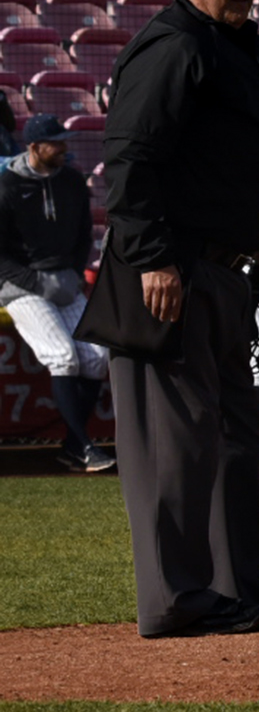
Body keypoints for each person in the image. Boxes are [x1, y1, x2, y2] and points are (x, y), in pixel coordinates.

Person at [93, 0, 259, 637]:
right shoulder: (172, 46)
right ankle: (174, 598)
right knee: (177, 443)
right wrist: (152, 256)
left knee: (239, 435)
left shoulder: (239, 44)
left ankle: (237, 583)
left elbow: (230, 163)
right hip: (169, 271)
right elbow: (129, 159)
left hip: (226, 270)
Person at [0, 114, 110, 472]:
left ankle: (73, 445)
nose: (64, 148)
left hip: (63, 280)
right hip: (20, 285)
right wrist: (33, 281)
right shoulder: (8, 185)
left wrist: (74, 272)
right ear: (34, 147)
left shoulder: (72, 181)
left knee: (96, 356)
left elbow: (82, 234)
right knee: (64, 356)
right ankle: (82, 446)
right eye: (56, 142)